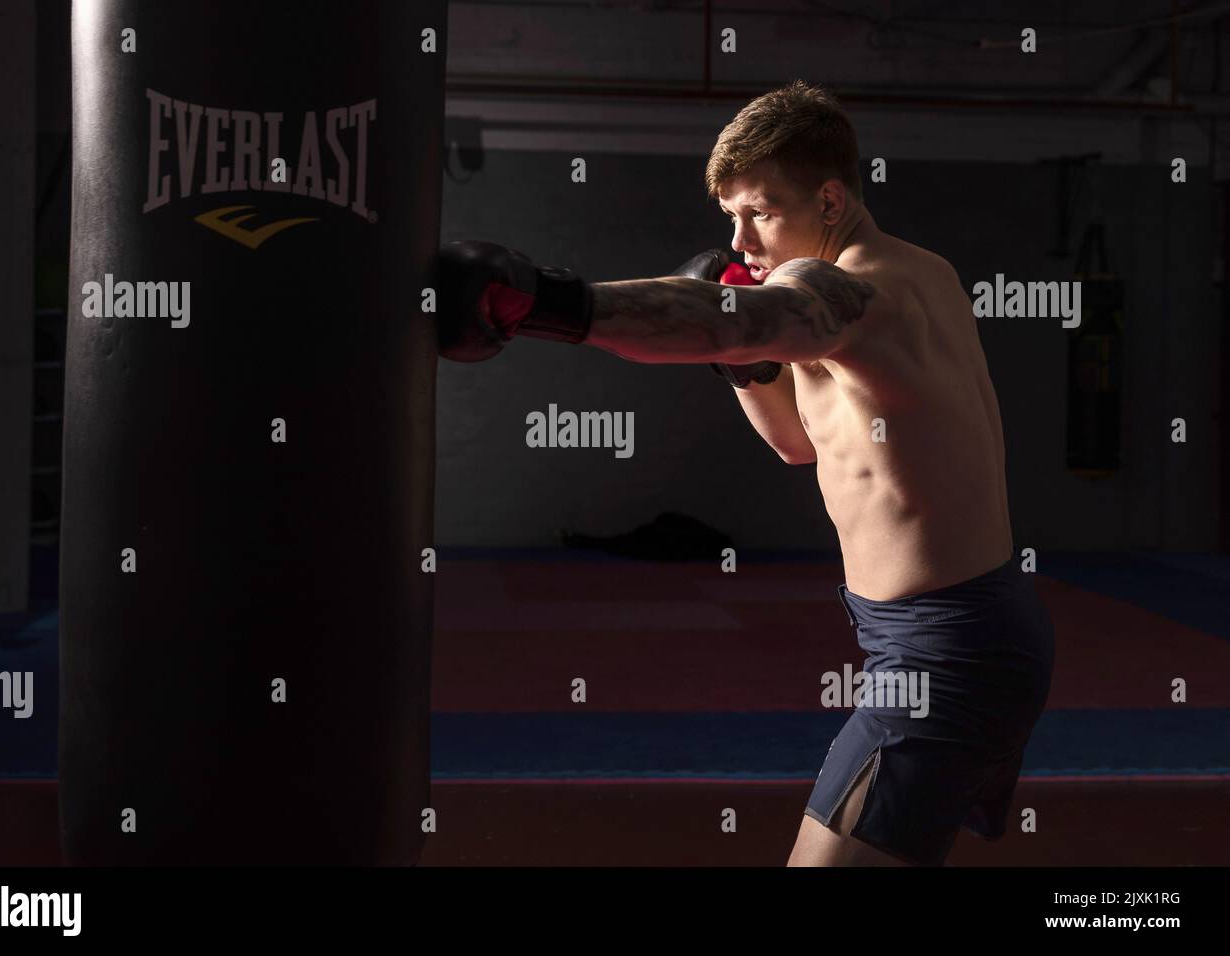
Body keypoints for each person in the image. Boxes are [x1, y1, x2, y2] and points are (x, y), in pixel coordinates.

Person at [436, 79, 1055, 867]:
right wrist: (748, 367)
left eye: (759, 212)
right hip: (962, 632)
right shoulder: (923, 272)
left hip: (946, 654)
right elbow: (800, 443)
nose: (740, 241)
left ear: (831, 200)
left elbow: (751, 315)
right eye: (730, 216)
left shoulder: (864, 291)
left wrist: (542, 304)